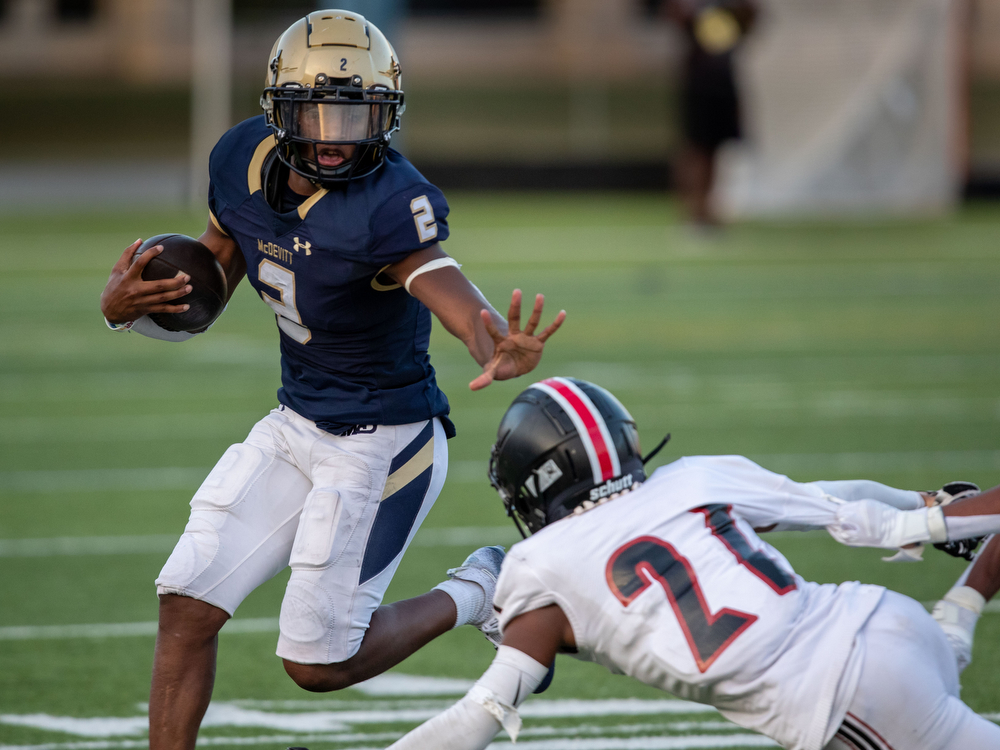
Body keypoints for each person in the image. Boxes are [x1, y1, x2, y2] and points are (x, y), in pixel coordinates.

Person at [98, 11, 565, 750]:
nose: (335, 134)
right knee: (186, 601)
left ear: (385, 116)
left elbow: (439, 279)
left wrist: (489, 341)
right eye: (316, 112)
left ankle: (479, 587)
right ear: (278, 112)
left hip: (383, 441)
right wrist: (126, 307)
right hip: (296, 424)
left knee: (316, 664)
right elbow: (216, 270)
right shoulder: (240, 161)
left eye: (355, 114)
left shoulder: (389, 202)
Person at [386, 377, 1000, 749]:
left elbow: (480, 716)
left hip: (848, 694)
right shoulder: (695, 479)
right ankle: (960, 612)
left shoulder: (539, 564)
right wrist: (924, 506)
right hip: (875, 618)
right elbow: (835, 497)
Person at [662, 0, 757, 228]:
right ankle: (694, 211)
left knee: (716, 149)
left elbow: (751, 20)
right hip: (698, 82)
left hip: (723, 81)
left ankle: (707, 208)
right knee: (696, 148)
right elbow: (676, 17)